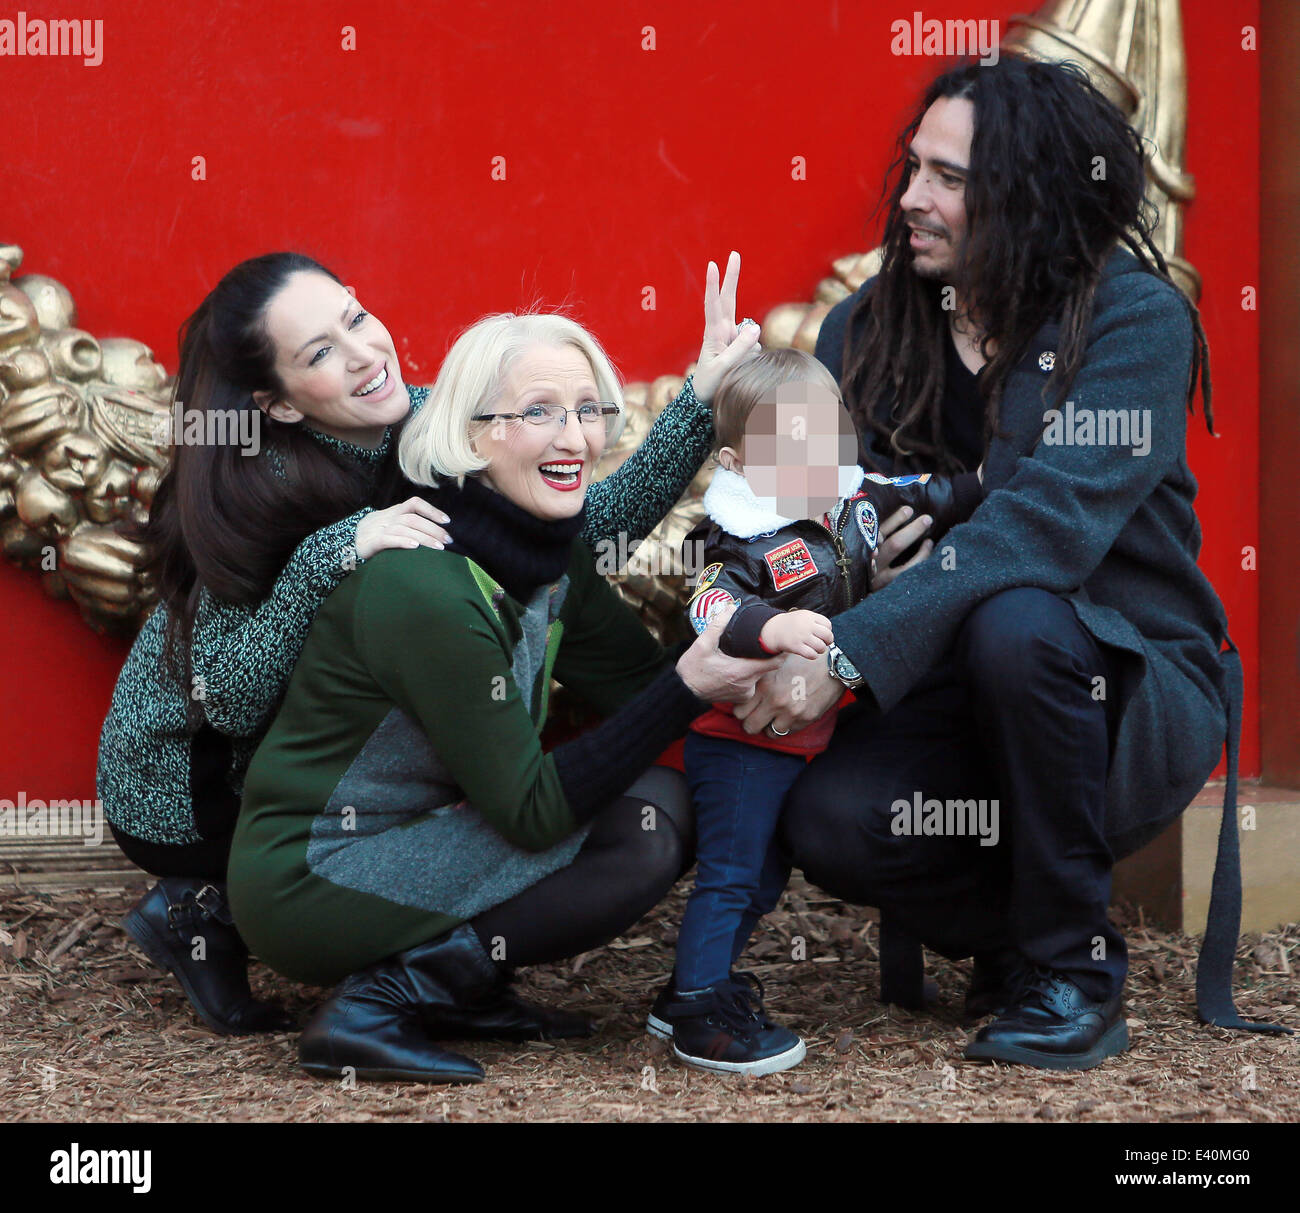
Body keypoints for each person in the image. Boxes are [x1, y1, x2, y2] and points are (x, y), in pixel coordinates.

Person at [733, 56, 1288, 1071]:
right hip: (945, 687)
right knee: (833, 818)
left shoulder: (1134, 321)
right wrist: (829, 570)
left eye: (949, 179)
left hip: (1119, 689)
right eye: (914, 168)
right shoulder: (870, 324)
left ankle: (1071, 975)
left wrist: (848, 654)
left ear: (1031, 191)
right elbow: (816, 521)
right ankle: (1016, 937)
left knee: (1018, 616)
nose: (912, 198)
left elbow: (1043, 527)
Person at [97, 250, 758, 1036]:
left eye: (355, 317)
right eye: (321, 354)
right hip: (190, 778)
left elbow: (574, 536)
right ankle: (206, 909)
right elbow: (233, 699)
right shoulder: (261, 491)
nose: (364, 353)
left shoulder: (418, 418)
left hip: (311, 765)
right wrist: (332, 551)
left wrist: (700, 398)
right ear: (274, 403)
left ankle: (434, 975)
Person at [225, 311, 781, 1084]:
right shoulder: (424, 584)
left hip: (423, 830)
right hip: (314, 874)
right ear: (471, 433)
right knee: (648, 828)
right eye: (538, 413)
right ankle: (377, 1004)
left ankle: (462, 990)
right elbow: (533, 810)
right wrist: (692, 684)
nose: (575, 438)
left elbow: (637, 687)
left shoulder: (547, 551)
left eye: (587, 410)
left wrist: (781, 664)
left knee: (672, 795)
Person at [645, 347, 982, 1074]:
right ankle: (700, 1006)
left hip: (806, 735)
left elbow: (923, 493)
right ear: (738, 463)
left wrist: (981, 485)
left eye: (830, 433)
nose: (820, 456)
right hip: (738, 739)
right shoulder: (735, 534)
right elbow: (709, 600)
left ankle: (688, 988)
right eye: (792, 446)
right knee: (733, 873)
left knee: (762, 878)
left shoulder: (853, 501)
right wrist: (769, 627)